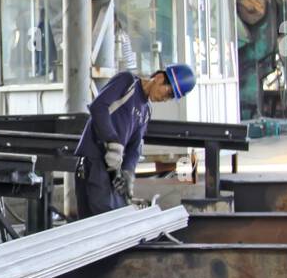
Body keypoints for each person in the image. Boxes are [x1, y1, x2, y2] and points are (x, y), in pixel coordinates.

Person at [74, 64, 196, 217]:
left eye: (171, 97)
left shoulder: (146, 110)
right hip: (94, 161)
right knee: (102, 220)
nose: (166, 99)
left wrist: (128, 173)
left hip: (112, 170)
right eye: (168, 92)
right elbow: (98, 107)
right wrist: (113, 142)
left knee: (117, 216)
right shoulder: (127, 82)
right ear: (159, 78)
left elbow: (135, 147)